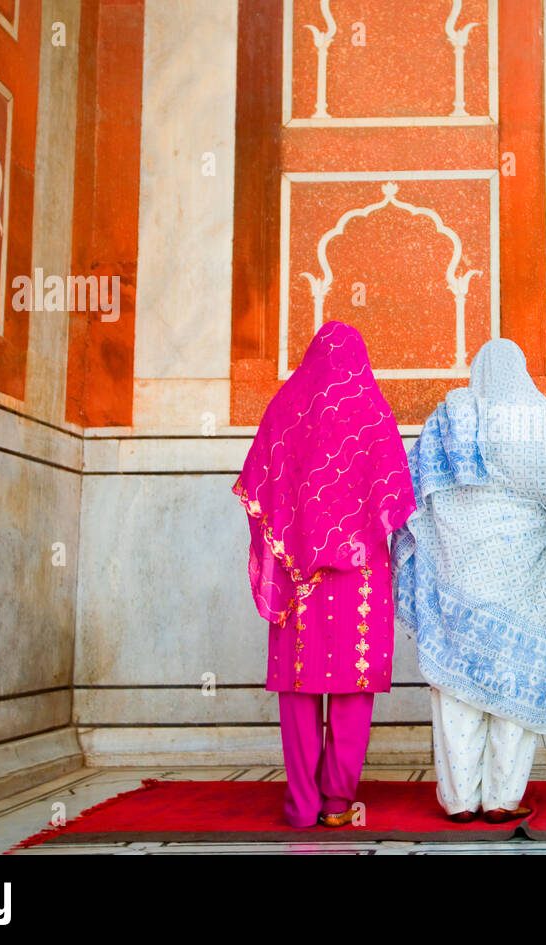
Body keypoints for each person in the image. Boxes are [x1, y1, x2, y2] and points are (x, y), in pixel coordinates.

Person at [392, 339, 546, 823]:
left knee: (458, 693)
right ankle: (501, 798)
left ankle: (459, 800)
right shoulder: (536, 418)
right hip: (528, 582)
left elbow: (411, 497)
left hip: (457, 578)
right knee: (514, 685)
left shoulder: (447, 416)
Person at [234, 321, 416, 828]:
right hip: (359, 572)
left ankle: (301, 806)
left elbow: (257, 487)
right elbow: (396, 500)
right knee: (352, 686)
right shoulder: (372, 409)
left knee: (299, 687)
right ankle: (337, 804)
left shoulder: (285, 408)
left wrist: (297, 536)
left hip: (297, 575)